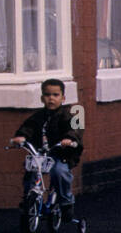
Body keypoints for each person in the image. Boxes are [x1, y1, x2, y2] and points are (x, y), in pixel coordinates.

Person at [10, 78, 84, 222]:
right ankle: (29, 199)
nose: (51, 98)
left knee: (59, 172)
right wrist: (21, 137)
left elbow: (75, 130)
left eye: (55, 95)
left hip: (60, 154)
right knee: (31, 170)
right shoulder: (38, 116)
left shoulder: (69, 116)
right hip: (40, 154)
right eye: (47, 95)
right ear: (42, 98)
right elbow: (28, 127)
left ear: (63, 98)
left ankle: (66, 202)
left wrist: (69, 139)